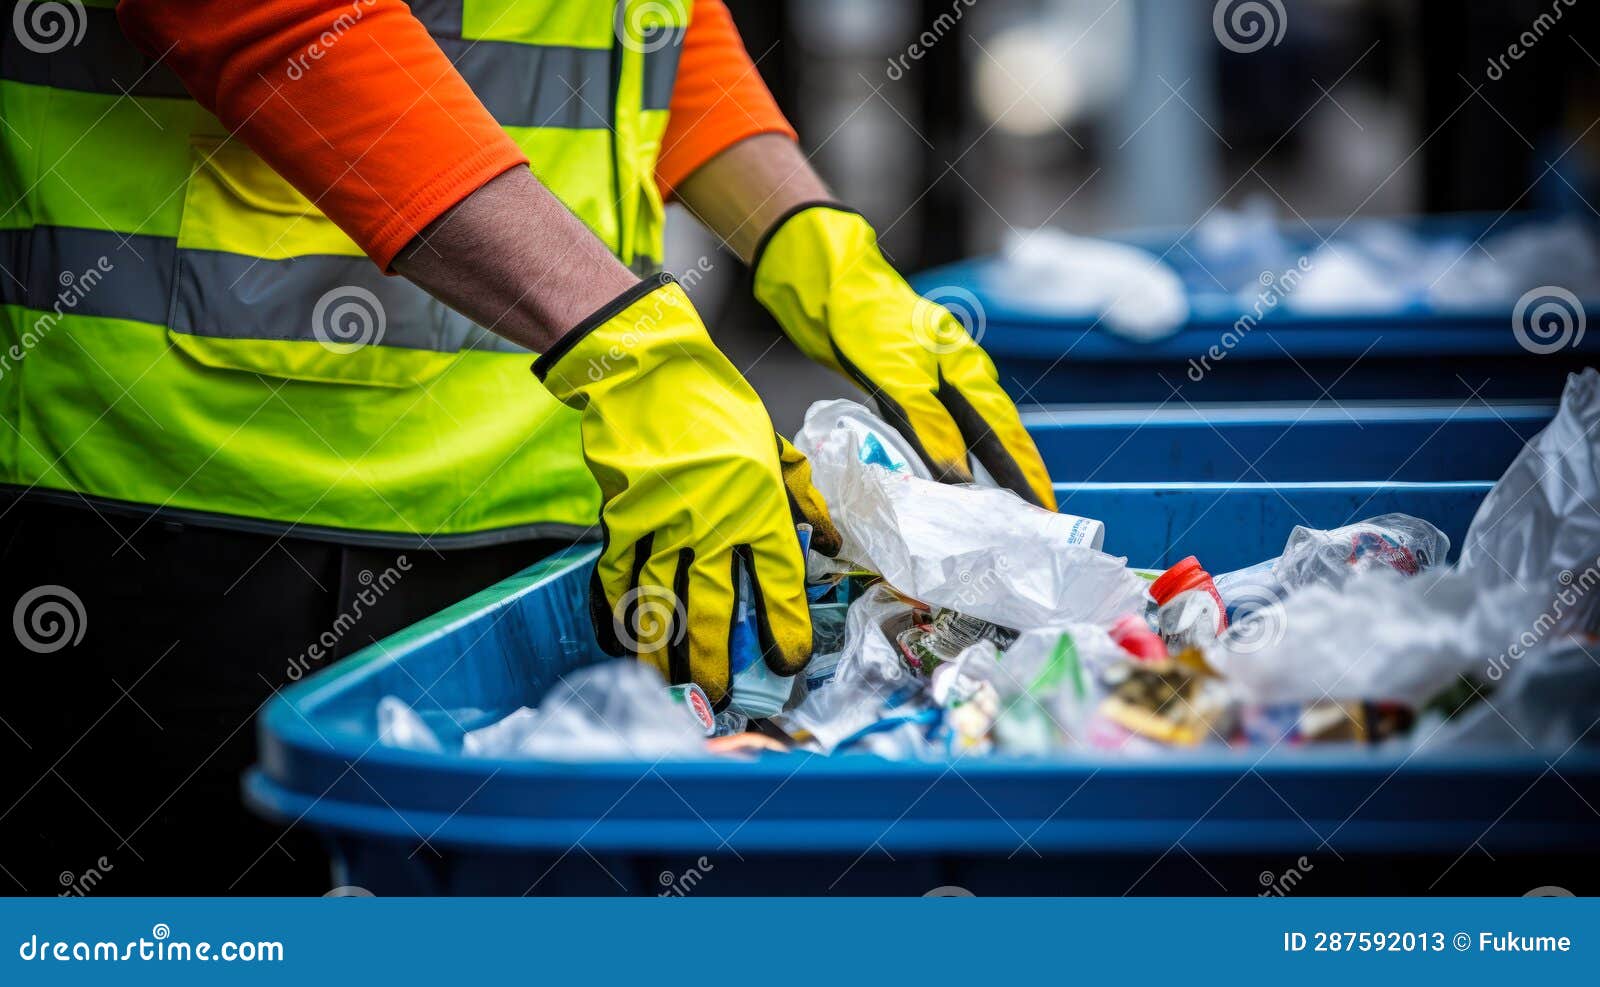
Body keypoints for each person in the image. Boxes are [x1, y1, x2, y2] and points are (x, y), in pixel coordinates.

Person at [0, 0, 1054, 893]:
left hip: (555, 479)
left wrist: (796, 230)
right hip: (215, 489)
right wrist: (620, 342)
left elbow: (639, 26)